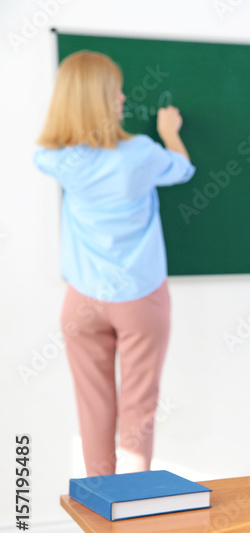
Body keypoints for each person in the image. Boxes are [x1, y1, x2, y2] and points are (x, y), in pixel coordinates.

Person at [35, 51, 194, 476]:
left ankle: (101, 513)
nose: (123, 96)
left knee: (93, 407)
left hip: (82, 301)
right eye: (115, 90)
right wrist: (169, 131)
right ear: (102, 99)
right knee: (138, 409)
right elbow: (182, 169)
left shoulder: (57, 159)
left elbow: (42, 154)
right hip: (140, 299)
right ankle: (133, 515)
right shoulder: (140, 152)